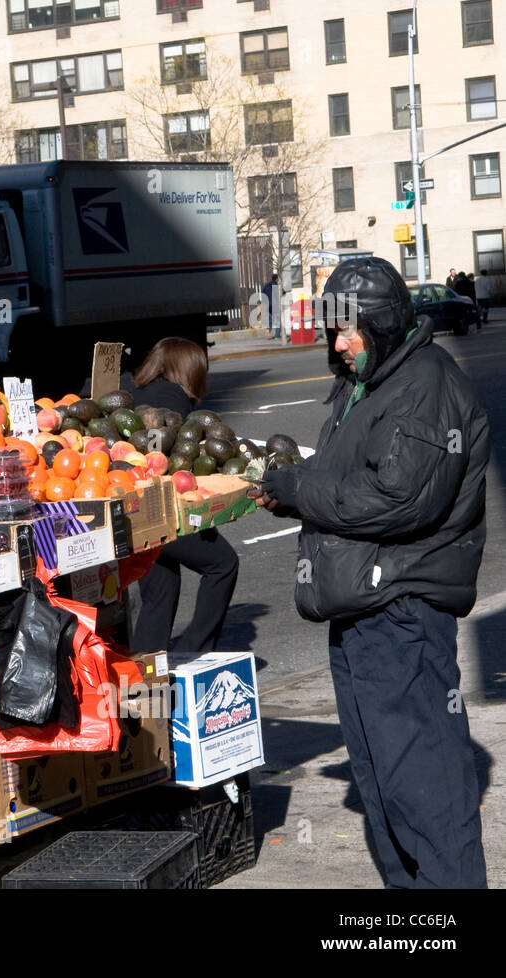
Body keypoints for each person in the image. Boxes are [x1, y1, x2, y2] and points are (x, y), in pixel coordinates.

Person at [250, 257, 489, 888]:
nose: (337, 344)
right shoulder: (374, 382)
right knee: (384, 792)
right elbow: (350, 473)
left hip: (401, 614)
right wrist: (295, 482)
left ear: (380, 324)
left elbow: (401, 498)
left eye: (346, 331)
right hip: (362, 614)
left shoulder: (425, 383)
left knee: (426, 792)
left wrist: (299, 488)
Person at [122, 337, 239, 655]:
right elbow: (164, 454)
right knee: (223, 564)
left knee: (161, 591)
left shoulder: (135, 391)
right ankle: (195, 652)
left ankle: (145, 693)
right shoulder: (171, 396)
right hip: (157, 508)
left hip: (129, 506)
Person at [260, 274, 282, 340]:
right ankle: (277, 336)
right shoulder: (275, 285)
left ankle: (267, 331)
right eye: (278, 279)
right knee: (278, 320)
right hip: (273, 305)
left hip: (266, 305)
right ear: (276, 279)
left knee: (270, 321)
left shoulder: (266, 285)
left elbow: (262, 294)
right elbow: (281, 293)